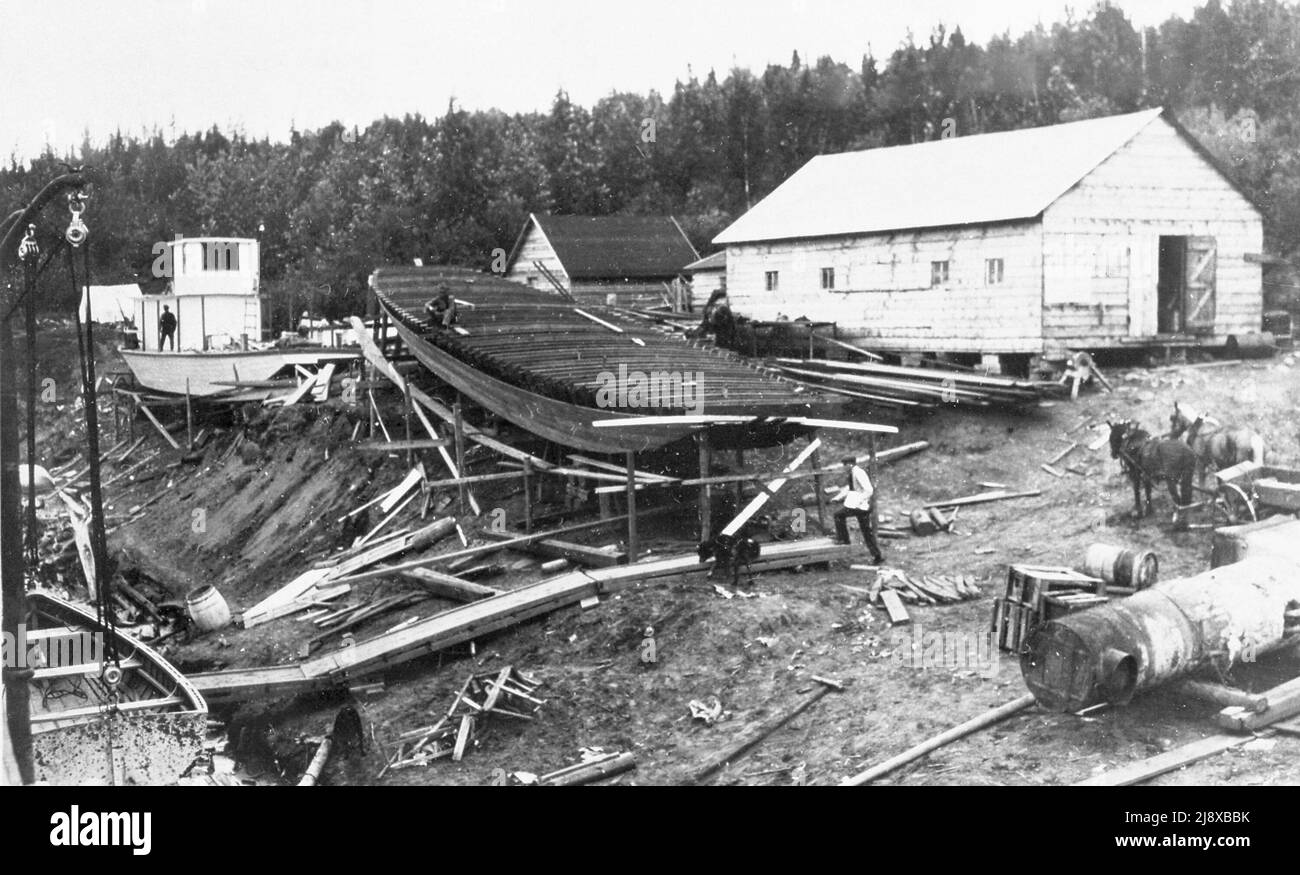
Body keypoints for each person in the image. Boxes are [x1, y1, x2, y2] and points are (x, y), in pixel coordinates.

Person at [832, 455, 883, 563]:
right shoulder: (852, 473)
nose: (844, 467)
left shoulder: (859, 472)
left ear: (850, 464)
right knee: (866, 531)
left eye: (845, 465)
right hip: (856, 505)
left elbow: (869, 490)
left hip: (861, 506)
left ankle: (844, 540)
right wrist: (837, 498)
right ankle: (877, 556)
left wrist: (858, 501)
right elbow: (849, 488)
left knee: (838, 515)